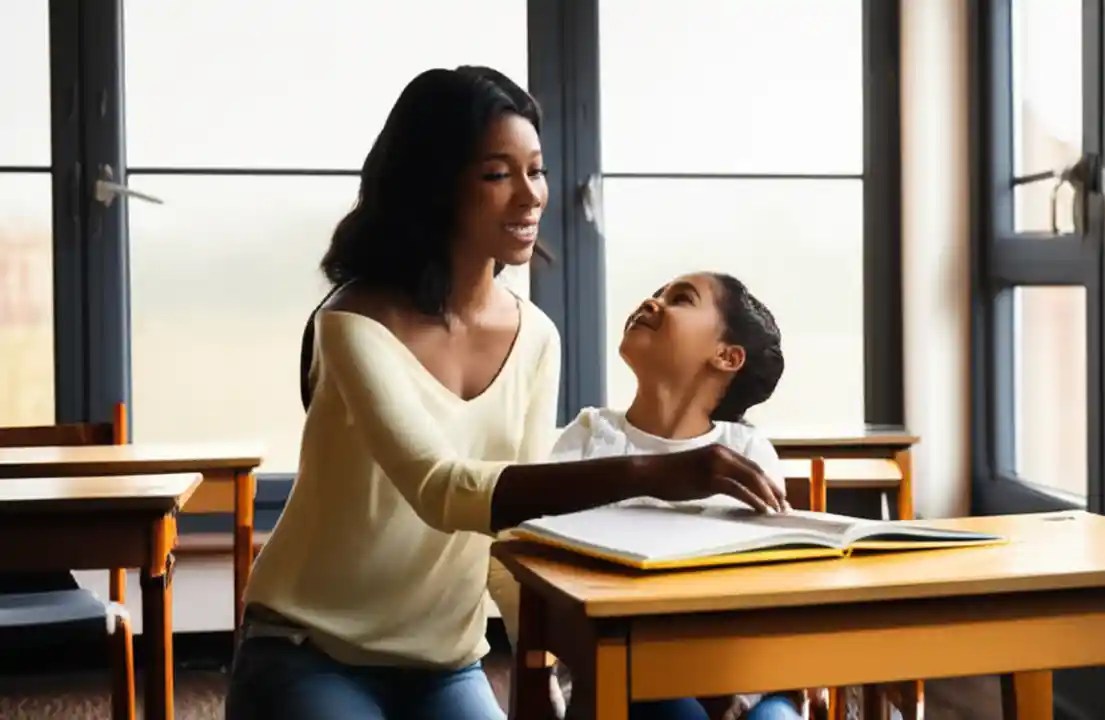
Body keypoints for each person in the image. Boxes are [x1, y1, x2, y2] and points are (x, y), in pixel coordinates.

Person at [223, 66, 784, 720]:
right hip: (308, 647)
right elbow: (443, 489)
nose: (530, 196)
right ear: (435, 187)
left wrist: (539, 664)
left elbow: (511, 532)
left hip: (444, 666)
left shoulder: (536, 335)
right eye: (497, 174)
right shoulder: (352, 323)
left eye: (536, 170)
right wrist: (661, 470)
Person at [488, 272, 811, 720]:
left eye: (681, 298)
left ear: (727, 356)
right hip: (623, 672)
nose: (652, 302)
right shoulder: (587, 440)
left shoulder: (748, 453)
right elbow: (539, 575)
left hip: (740, 676)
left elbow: (765, 584)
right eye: (657, 293)